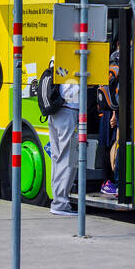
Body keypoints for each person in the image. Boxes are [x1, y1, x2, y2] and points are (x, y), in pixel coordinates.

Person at [47, 72, 80, 215]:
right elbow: (72, 91)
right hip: (68, 111)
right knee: (68, 158)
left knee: (57, 158)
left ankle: (57, 200)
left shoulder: (56, 56)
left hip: (54, 111)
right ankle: (60, 204)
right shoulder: (75, 59)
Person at [97, 55, 124, 197]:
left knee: (108, 144)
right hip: (113, 111)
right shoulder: (119, 66)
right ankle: (108, 181)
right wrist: (114, 113)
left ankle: (107, 181)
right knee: (112, 143)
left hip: (106, 110)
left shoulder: (108, 65)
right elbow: (117, 93)